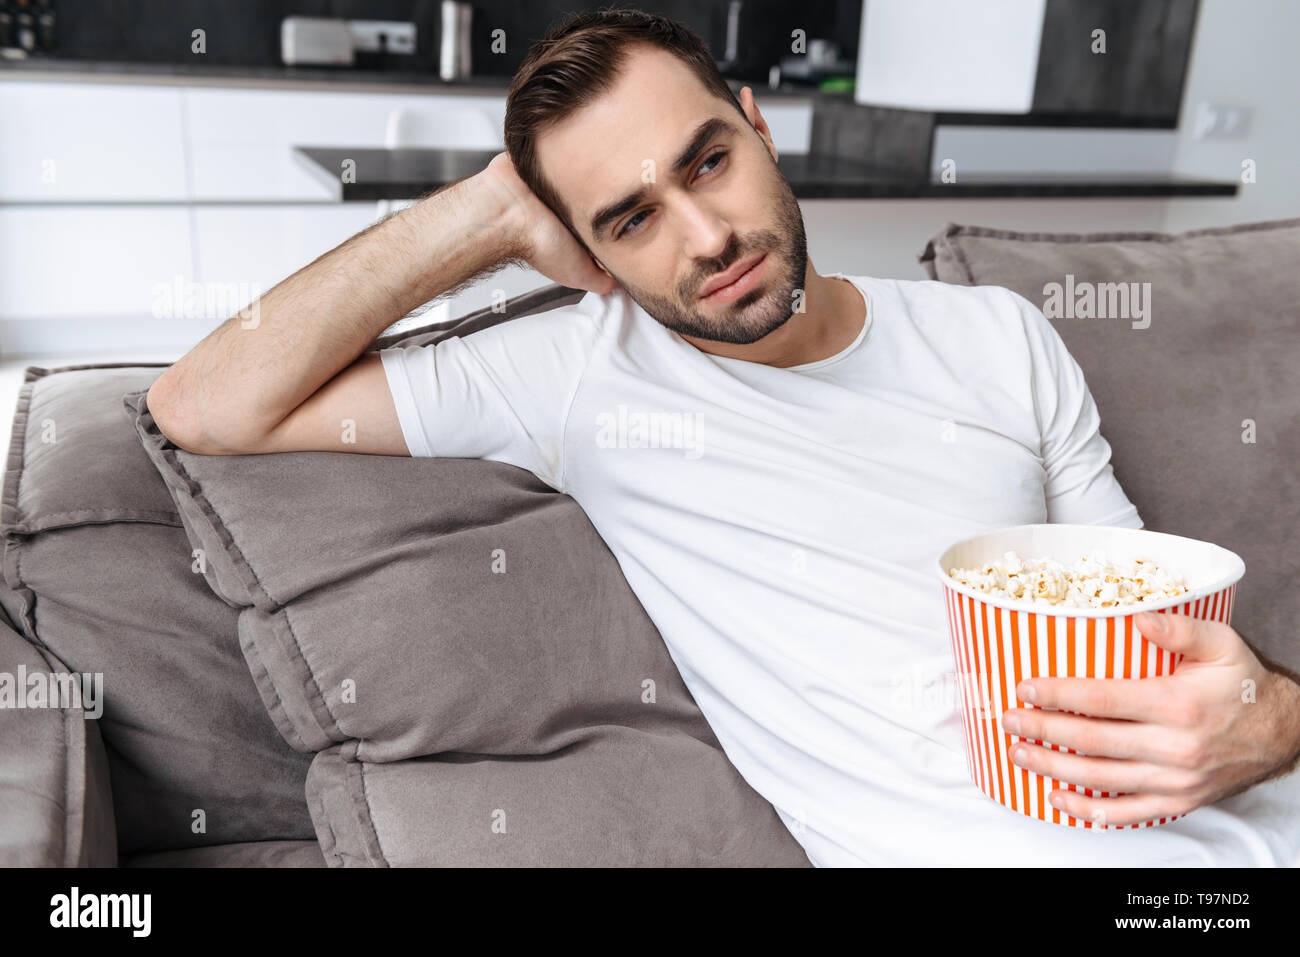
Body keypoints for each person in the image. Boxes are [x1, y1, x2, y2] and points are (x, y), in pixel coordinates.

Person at [147, 10, 1300, 866]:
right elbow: (206, 405)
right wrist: (485, 214)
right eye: (631, 217)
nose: (704, 238)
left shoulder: (997, 334)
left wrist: (1275, 721)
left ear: (758, 126)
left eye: (708, 161)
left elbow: (1161, 631)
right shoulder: (572, 376)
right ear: (582, 247)